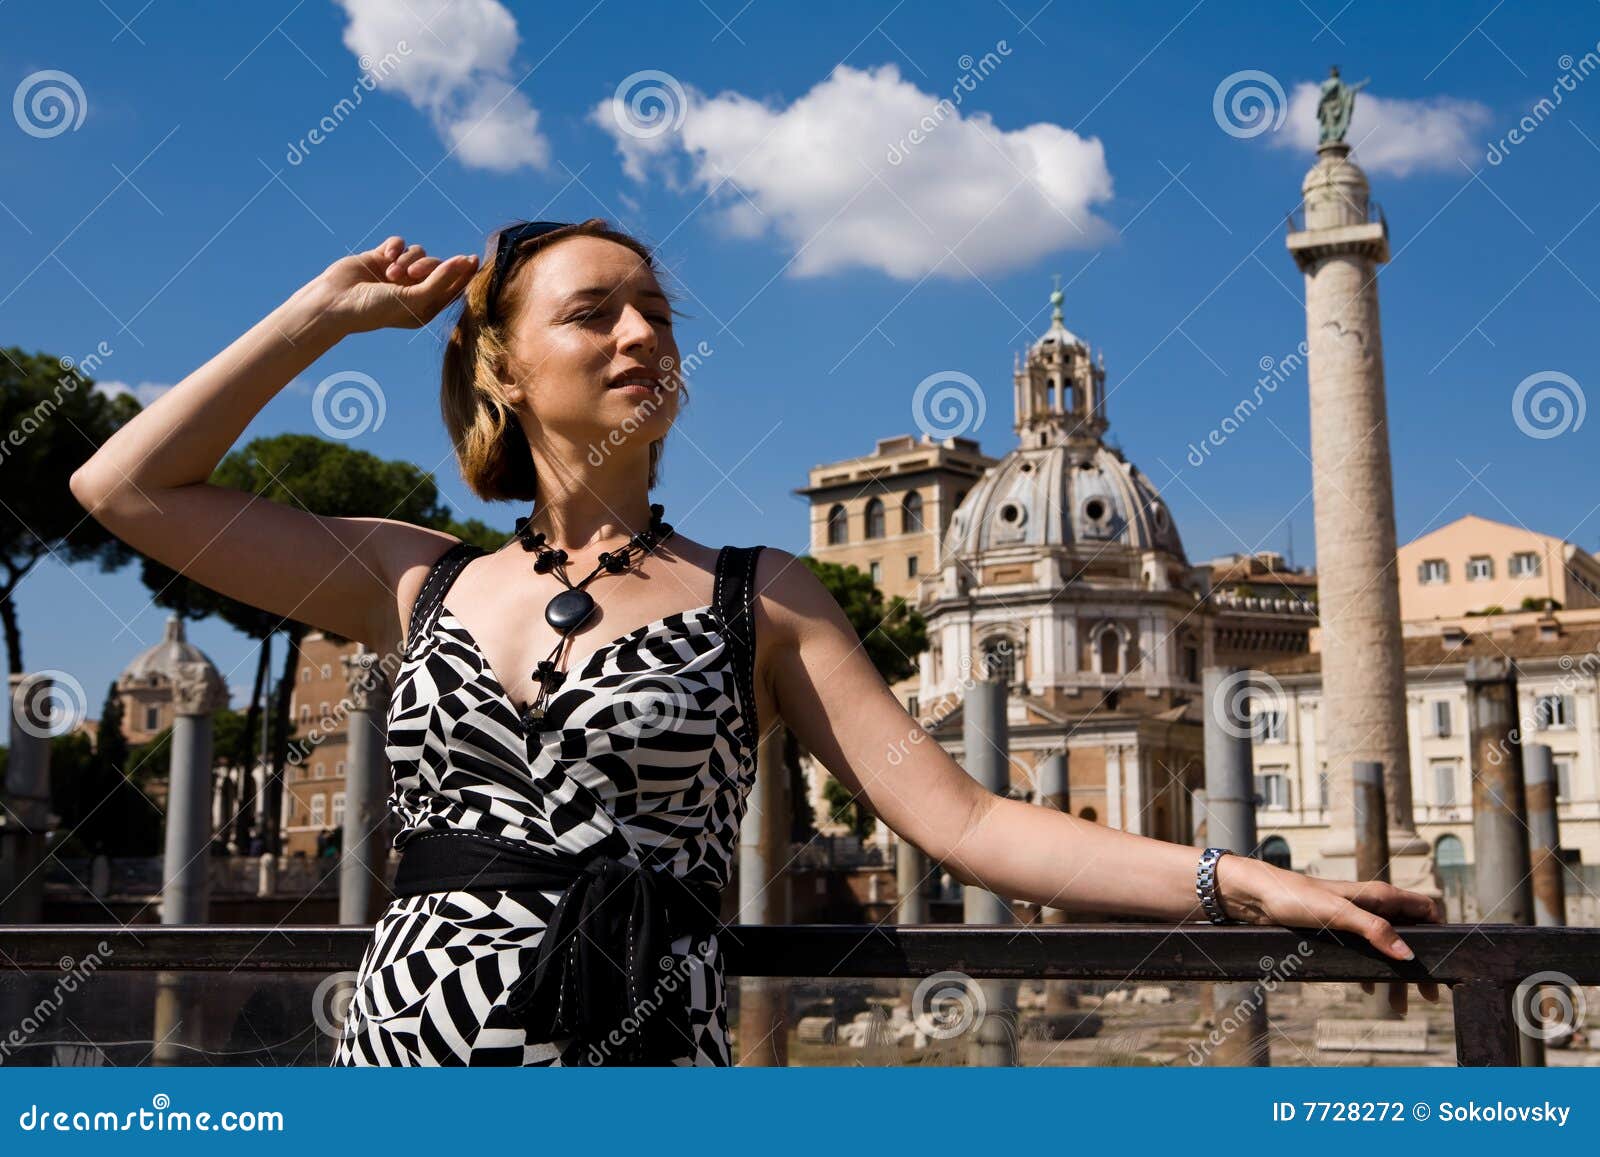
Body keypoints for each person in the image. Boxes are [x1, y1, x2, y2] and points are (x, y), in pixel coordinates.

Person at [69, 218, 1443, 1067]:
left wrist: (1239, 883)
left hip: (640, 1049)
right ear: (503, 363)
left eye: (656, 308)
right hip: (408, 1053)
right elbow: (122, 489)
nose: (640, 330)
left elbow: (967, 815)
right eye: (594, 308)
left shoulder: (762, 596)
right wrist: (323, 316)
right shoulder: (410, 575)